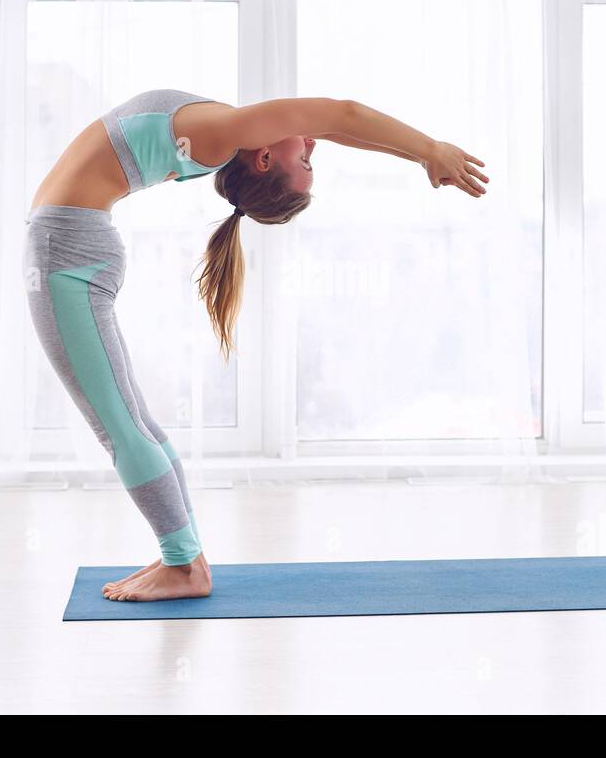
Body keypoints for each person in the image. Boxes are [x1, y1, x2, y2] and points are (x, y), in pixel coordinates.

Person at [24, 89, 488, 602]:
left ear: (264, 156)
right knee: (132, 421)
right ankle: (184, 556)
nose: (312, 142)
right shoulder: (222, 137)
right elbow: (334, 124)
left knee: (119, 428)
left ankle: (183, 566)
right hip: (75, 246)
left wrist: (429, 150)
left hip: (67, 253)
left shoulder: (224, 135)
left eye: (305, 158)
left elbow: (341, 115)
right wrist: (420, 151)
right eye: (310, 156)